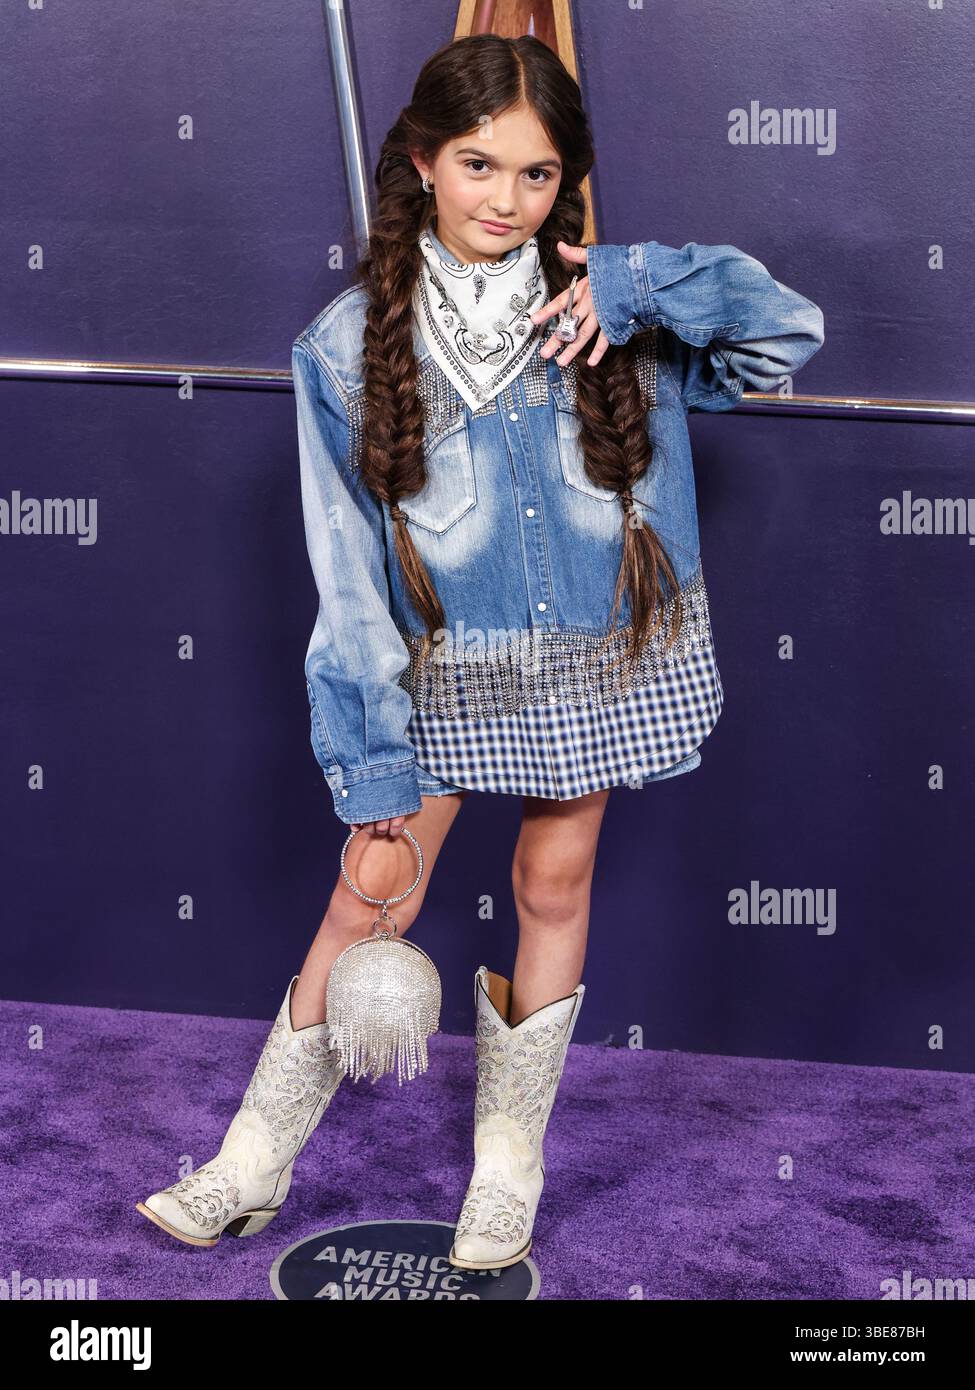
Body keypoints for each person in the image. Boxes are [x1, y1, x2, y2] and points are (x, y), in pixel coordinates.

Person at [137, 33, 824, 1266]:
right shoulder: (343, 347)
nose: (507, 201)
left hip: (599, 665)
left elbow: (786, 336)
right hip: (441, 676)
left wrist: (646, 283)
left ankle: (507, 1166)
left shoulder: (614, 307)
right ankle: (251, 1162)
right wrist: (370, 762)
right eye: (477, 165)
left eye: (538, 175)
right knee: (369, 896)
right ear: (419, 161)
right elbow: (347, 581)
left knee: (553, 887)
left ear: (570, 182)